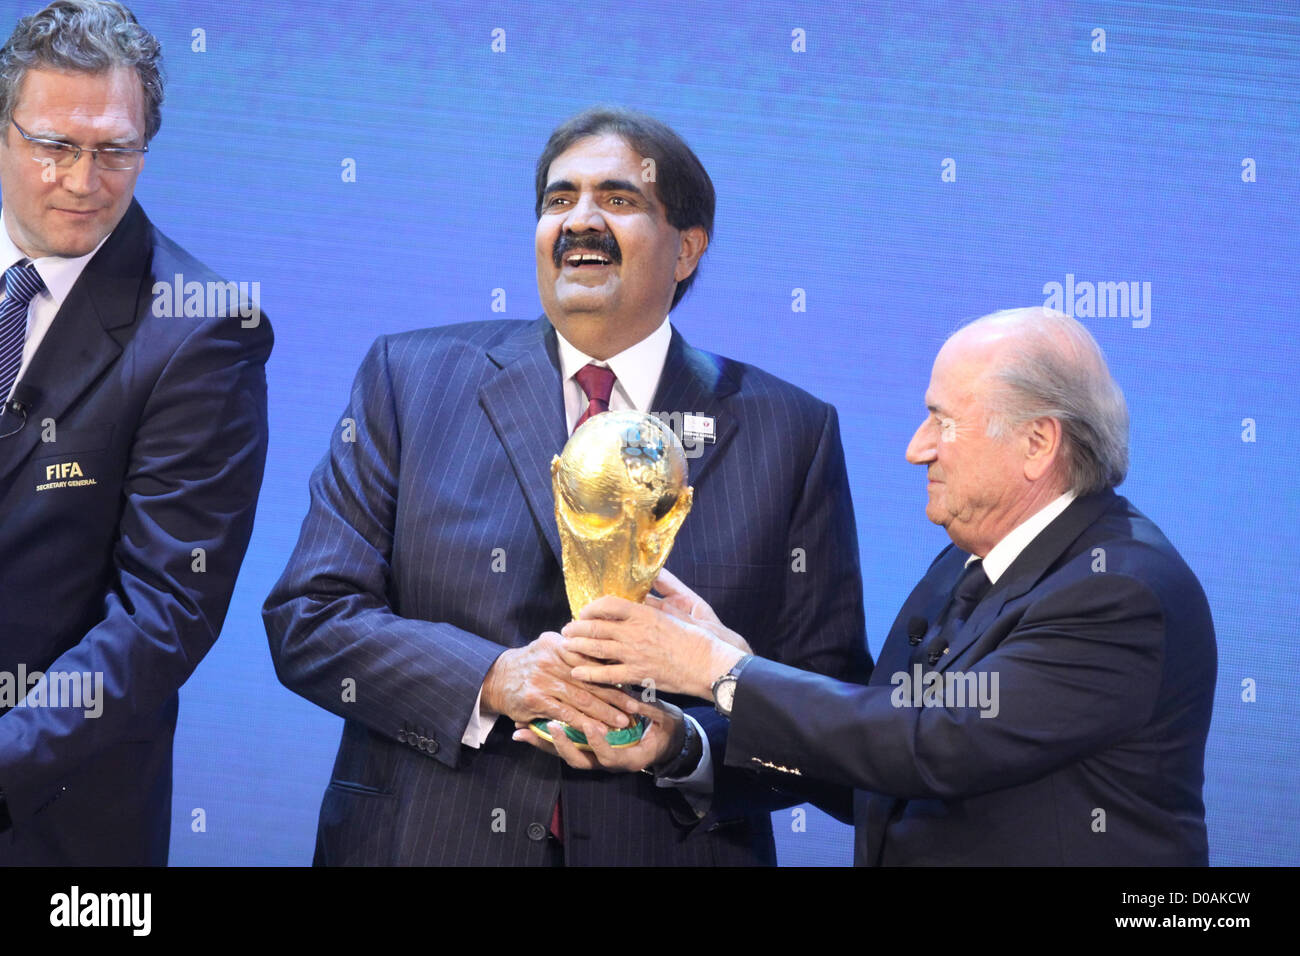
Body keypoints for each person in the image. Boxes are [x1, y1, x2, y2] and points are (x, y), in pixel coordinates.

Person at [264, 106, 868, 866]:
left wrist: (684, 748)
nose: (580, 220)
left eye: (618, 200)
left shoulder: (790, 431)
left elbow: (828, 713)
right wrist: (491, 679)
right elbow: (310, 620)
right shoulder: (410, 381)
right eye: (559, 200)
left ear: (686, 249)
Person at [565, 307, 1217, 865]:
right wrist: (684, 742)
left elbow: (937, 745)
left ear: (1037, 442)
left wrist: (721, 671)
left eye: (943, 421)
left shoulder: (1119, 593)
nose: (916, 447)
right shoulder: (960, 567)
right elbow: (876, 769)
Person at [0, 0, 272, 865]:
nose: (82, 180)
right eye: (54, 146)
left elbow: (164, 613)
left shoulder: (204, 329)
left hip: (49, 822)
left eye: (114, 150)